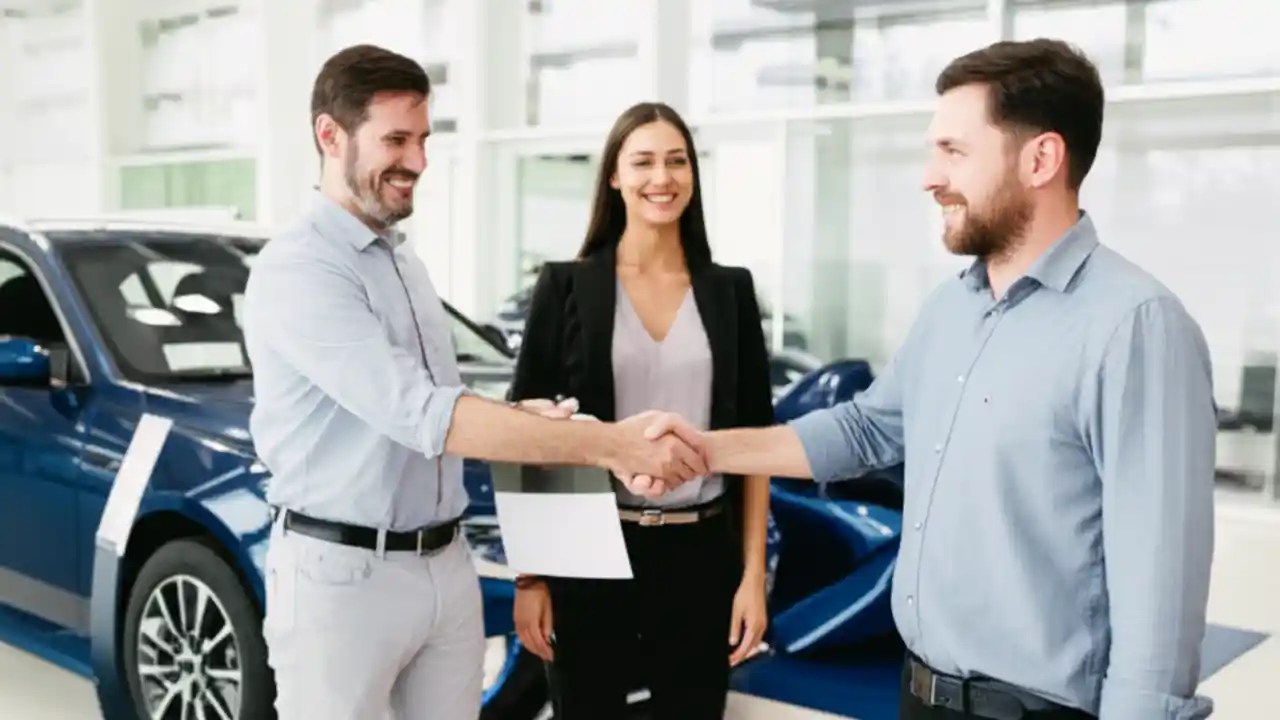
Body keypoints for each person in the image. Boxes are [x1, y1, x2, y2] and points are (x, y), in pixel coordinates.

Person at [642, 39, 1216, 720]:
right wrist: (704, 452)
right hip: (919, 693)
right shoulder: (953, 307)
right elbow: (866, 429)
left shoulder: (1135, 326)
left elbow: (1161, 594)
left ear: (1042, 159)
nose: (929, 176)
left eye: (954, 151)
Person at [241, 45, 708, 720]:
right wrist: (612, 445)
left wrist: (526, 417)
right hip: (342, 580)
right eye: (396, 139)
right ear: (329, 135)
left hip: (443, 562)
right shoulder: (301, 270)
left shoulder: (402, 261)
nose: (419, 162)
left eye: (425, 139)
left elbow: (439, 405)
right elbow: (425, 415)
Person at [507, 101, 776, 719]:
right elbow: (531, 438)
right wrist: (533, 578)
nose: (663, 178)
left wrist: (751, 575)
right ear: (614, 177)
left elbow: (756, 440)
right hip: (587, 551)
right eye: (645, 162)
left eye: (677, 162)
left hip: (701, 552)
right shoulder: (566, 286)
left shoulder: (729, 291)